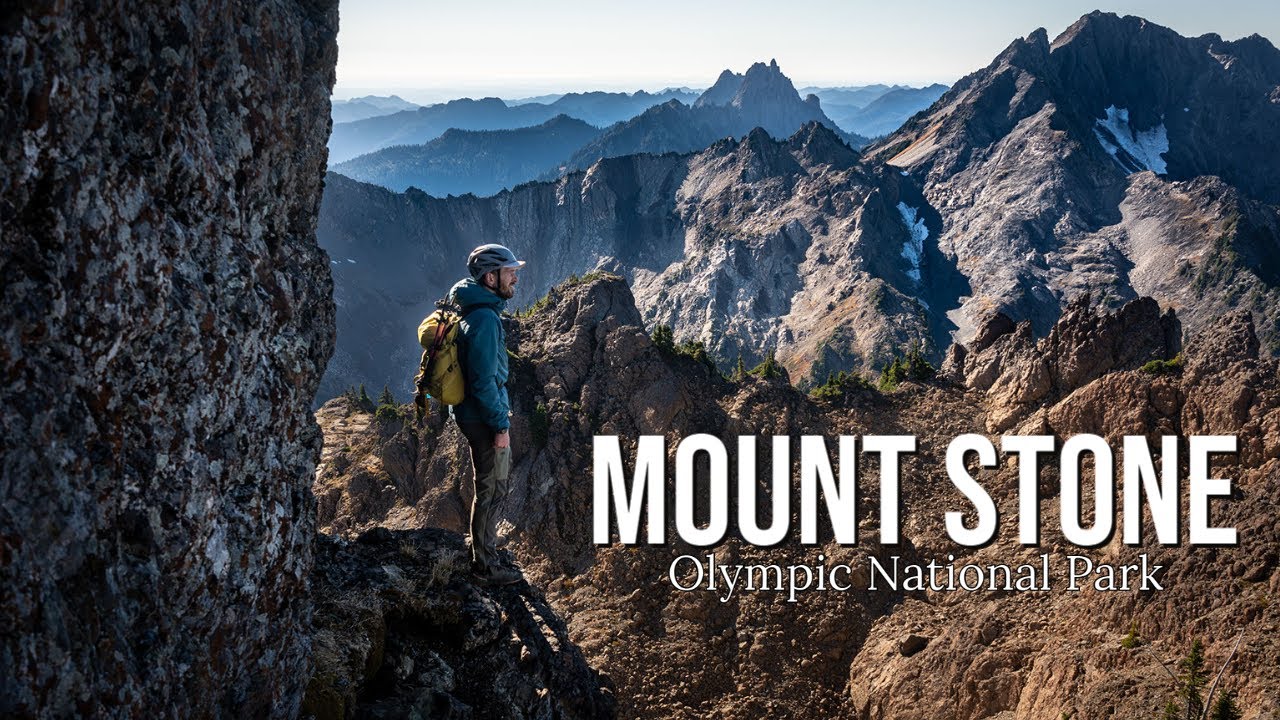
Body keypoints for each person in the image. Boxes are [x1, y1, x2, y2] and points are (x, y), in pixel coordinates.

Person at [448, 243, 525, 585]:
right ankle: (485, 565)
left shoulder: (474, 311)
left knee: (489, 485)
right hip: (482, 417)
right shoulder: (484, 319)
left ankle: (482, 549)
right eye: (510, 273)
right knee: (493, 487)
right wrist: (500, 426)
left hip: (471, 414)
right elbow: (482, 382)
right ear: (490, 277)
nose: (515, 279)